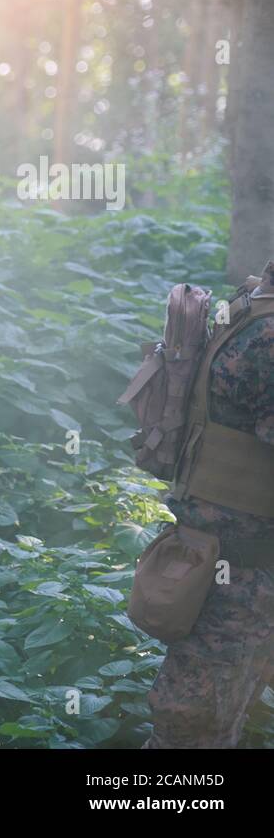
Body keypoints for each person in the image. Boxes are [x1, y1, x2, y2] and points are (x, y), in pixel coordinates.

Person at [145, 260, 274, 747]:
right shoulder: (269, 337)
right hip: (240, 574)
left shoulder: (251, 304)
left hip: (224, 557)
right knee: (196, 729)